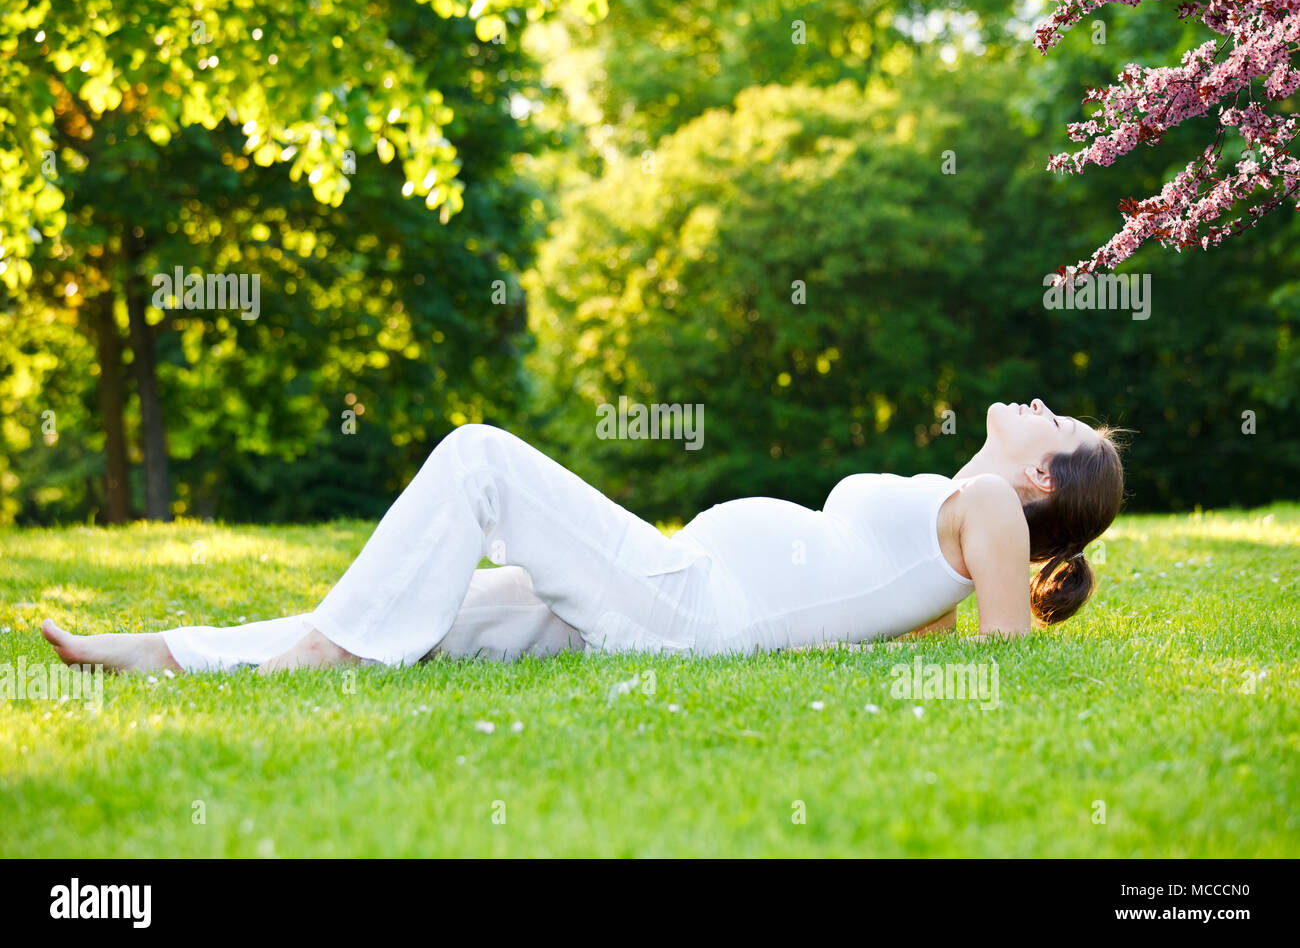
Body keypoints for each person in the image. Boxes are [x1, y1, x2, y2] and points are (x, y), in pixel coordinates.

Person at [41, 398, 1125, 674]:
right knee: (447, 618)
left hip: (689, 602)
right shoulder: (954, 512)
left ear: (1041, 476)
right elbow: (862, 616)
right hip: (680, 595)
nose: (1037, 403)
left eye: (1057, 422)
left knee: (478, 457)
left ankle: (324, 651)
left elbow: (1000, 653)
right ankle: (174, 650)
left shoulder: (987, 507)